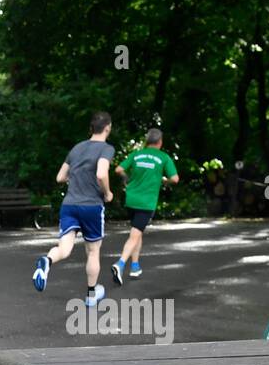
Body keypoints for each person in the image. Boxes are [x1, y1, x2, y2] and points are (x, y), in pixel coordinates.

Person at [33, 112, 115, 308]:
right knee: (93, 252)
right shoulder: (106, 148)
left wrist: (76, 179)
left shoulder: (77, 148)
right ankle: (91, 295)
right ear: (107, 128)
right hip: (91, 206)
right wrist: (108, 193)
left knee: (64, 248)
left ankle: (47, 261)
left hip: (69, 204)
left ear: (90, 128)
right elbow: (101, 173)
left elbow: (60, 177)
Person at [109, 127, 178, 284]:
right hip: (146, 203)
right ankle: (120, 264)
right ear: (160, 142)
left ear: (147, 141)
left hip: (131, 199)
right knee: (134, 235)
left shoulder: (136, 155)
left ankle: (135, 266)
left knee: (136, 232)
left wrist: (126, 179)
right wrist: (164, 180)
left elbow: (119, 169)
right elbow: (175, 178)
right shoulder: (163, 157)